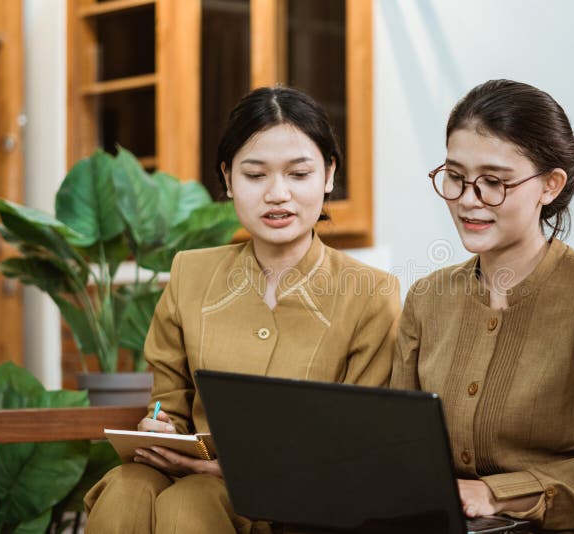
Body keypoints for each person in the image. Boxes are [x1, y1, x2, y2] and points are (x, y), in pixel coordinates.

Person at [85, 86, 400, 533]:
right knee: (126, 487)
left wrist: (247, 470)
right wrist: (159, 427)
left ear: (328, 175)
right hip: (189, 475)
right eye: (255, 175)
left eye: (298, 174)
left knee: (191, 503)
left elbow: (360, 445)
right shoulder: (190, 273)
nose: (277, 194)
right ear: (228, 179)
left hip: (302, 505)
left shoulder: (372, 294)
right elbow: (168, 405)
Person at [391, 79, 574, 532]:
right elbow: (398, 449)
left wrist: (496, 493)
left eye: (494, 183)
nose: (468, 199)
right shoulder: (427, 298)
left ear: (550, 185)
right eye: (456, 177)